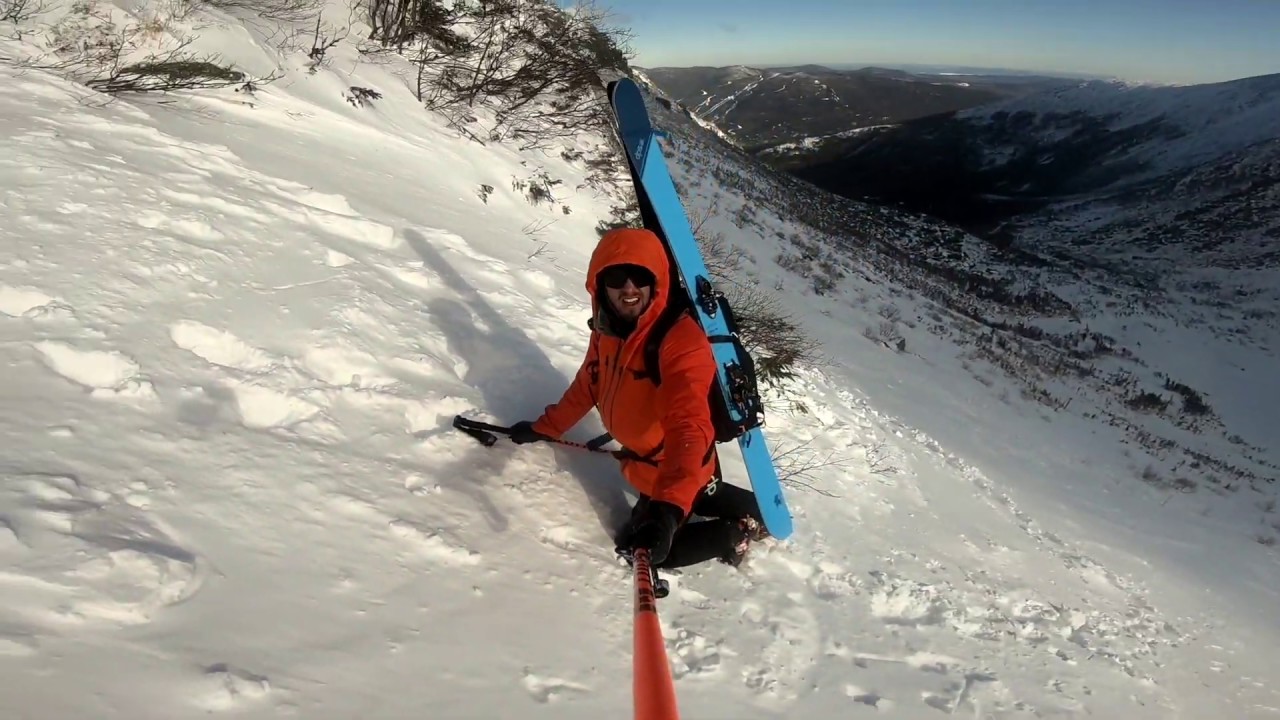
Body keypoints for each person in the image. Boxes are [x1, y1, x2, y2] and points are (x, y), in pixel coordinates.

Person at [509, 227, 767, 569]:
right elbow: (589, 384)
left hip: (680, 461)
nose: (629, 288)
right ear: (599, 283)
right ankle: (747, 509)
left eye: (640, 276)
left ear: (655, 282)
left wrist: (668, 511)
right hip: (647, 466)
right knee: (688, 507)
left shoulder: (679, 340)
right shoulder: (607, 329)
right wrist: (545, 427)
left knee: (647, 550)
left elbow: (688, 427)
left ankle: (733, 533)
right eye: (616, 276)